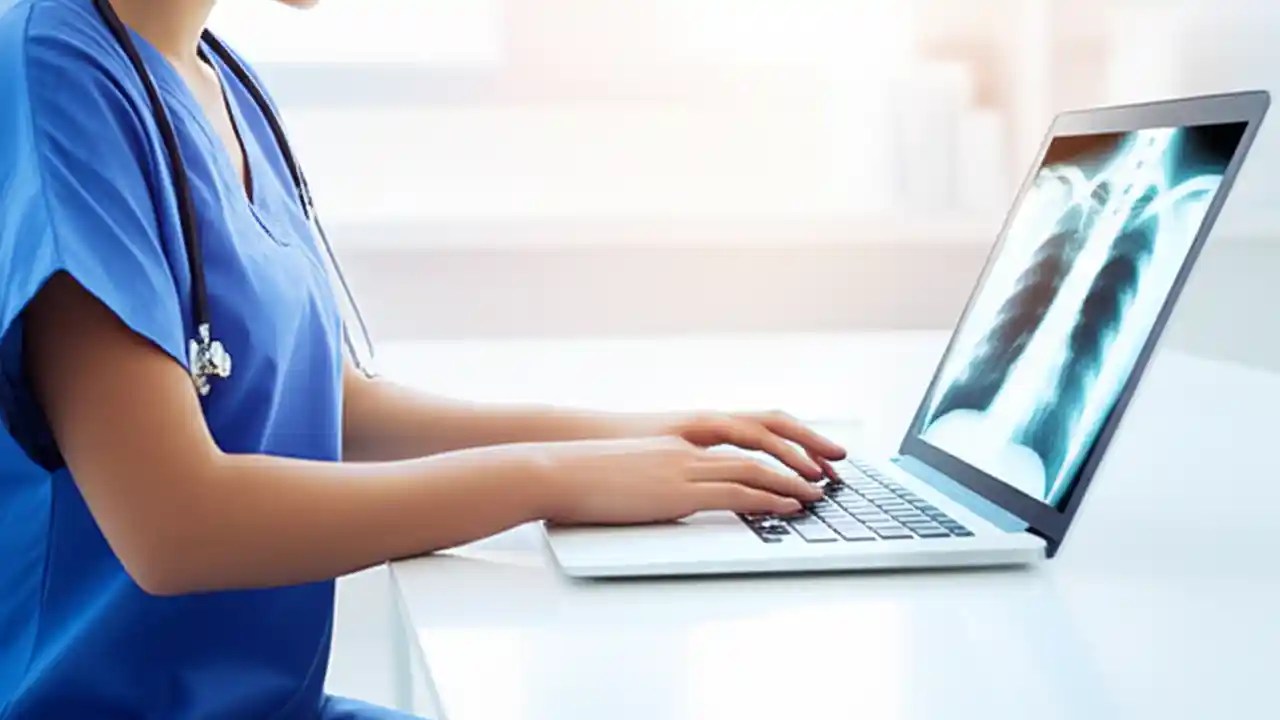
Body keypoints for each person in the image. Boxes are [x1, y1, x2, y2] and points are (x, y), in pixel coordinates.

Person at [0, 0, 846, 718]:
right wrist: (552, 479)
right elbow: (173, 526)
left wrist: (634, 440)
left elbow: (339, 411)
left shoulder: (217, 78)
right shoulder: (52, 74)